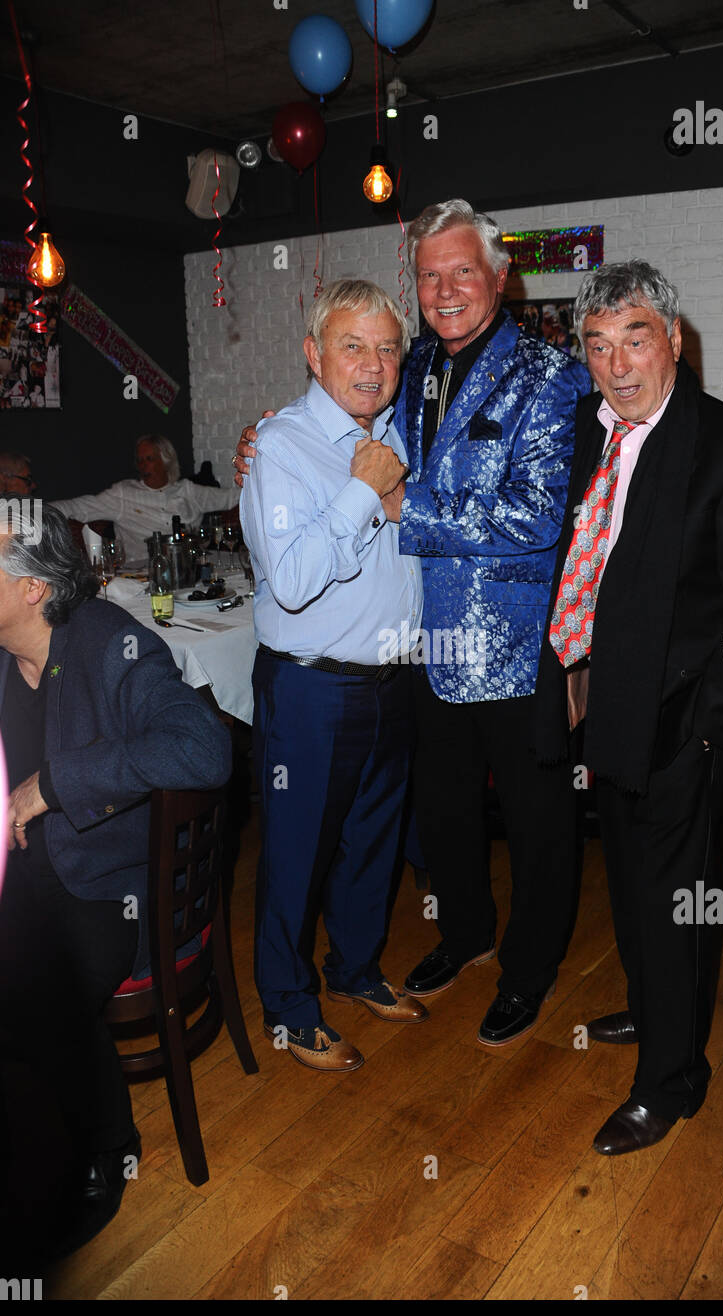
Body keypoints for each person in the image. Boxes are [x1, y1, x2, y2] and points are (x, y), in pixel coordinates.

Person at [235, 199, 594, 1048]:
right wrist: (266, 437)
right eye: (428, 275)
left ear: (500, 277)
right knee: (437, 819)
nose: (444, 289)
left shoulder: (552, 376)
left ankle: (527, 968)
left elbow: (538, 516)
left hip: (513, 649)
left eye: (461, 270)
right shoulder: (413, 371)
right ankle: (460, 935)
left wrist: (399, 501)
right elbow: (328, 423)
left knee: (535, 824)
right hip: (420, 659)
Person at [533, 260, 723, 1155]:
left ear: (672, 341)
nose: (615, 364)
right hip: (603, 698)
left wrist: (706, 728)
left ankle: (674, 1079)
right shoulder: (586, 429)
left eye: (634, 338)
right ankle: (654, 1015)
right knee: (631, 882)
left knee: (677, 892)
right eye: (598, 346)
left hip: (684, 714)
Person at [0, 501, 232, 1258]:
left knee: (34, 987)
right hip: (25, 876)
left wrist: (53, 782)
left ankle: (104, 1148)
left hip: (110, 885)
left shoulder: (108, 641)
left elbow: (202, 749)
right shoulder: (5, 658)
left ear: (32, 586)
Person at [239, 279, 427, 1076]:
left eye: (388, 346)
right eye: (352, 345)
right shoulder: (279, 445)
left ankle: (353, 970)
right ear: (314, 354)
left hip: (395, 681)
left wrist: (395, 489)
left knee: (369, 848)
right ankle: (287, 1005)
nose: (373, 363)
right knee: (295, 854)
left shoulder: (401, 432)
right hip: (312, 690)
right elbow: (291, 580)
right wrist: (364, 489)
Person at [53, 435, 235, 568]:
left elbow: (231, 498)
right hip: (140, 574)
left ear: (166, 461)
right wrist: (33, 510)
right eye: (139, 460)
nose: (143, 465)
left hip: (188, 567)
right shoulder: (123, 494)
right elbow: (78, 507)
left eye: (149, 459)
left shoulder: (188, 491)